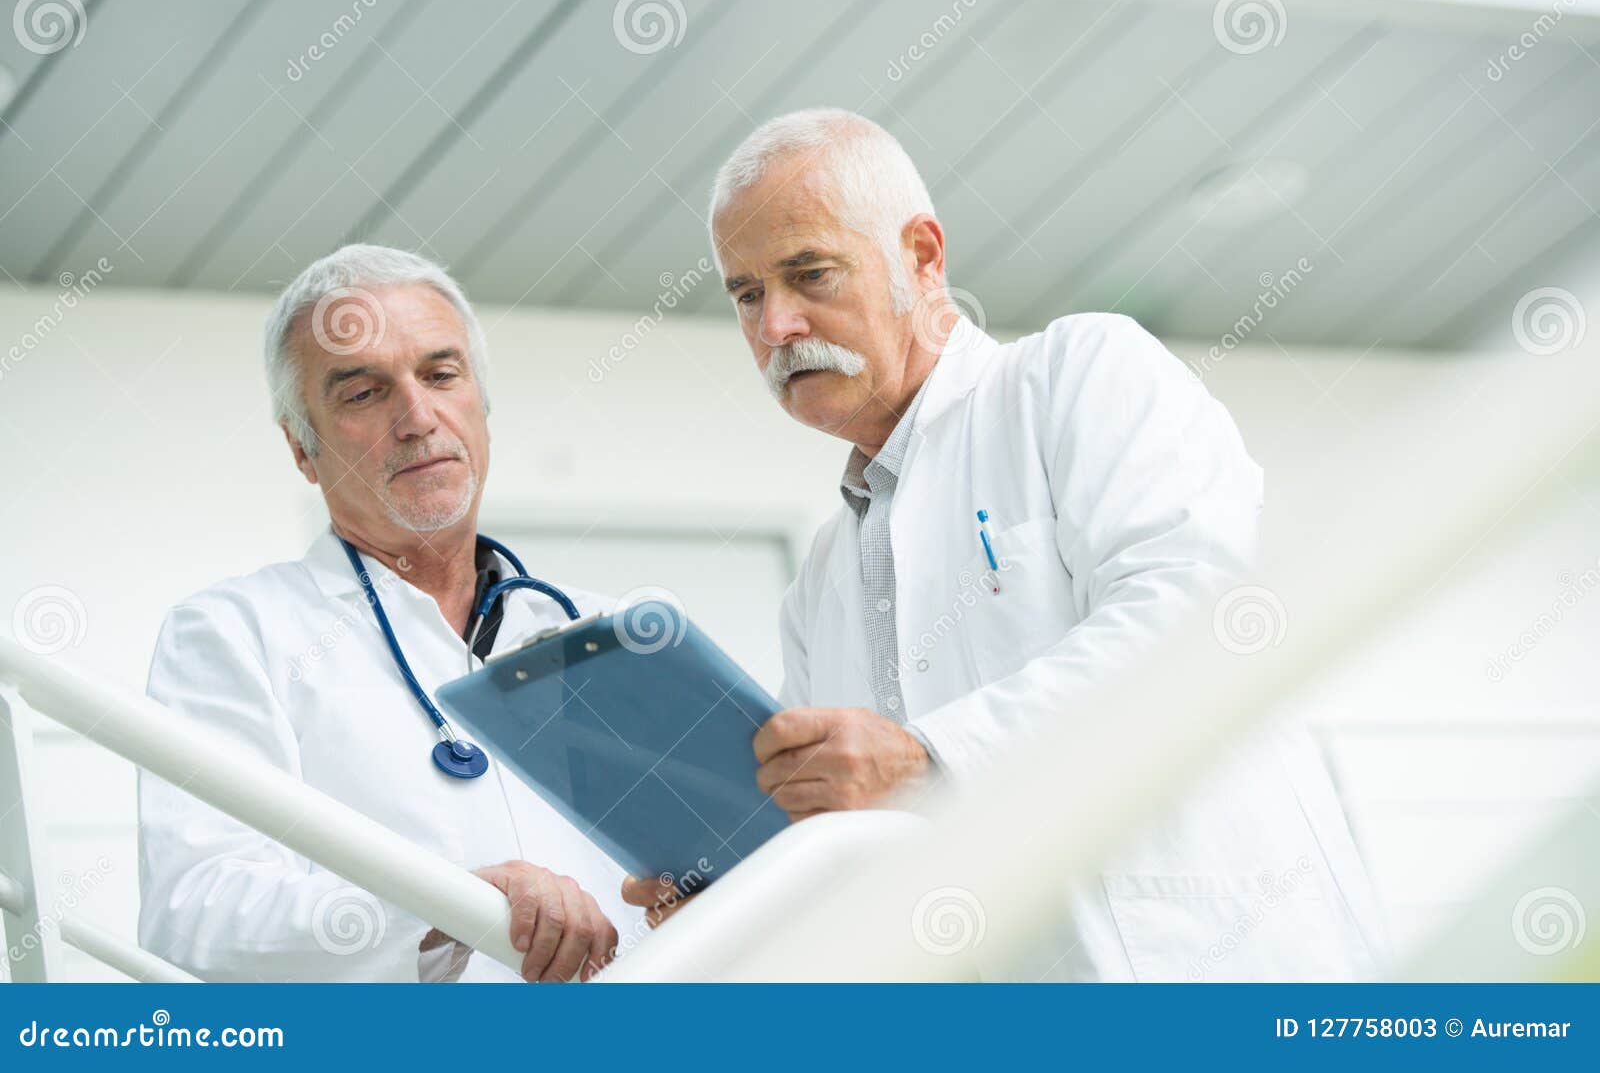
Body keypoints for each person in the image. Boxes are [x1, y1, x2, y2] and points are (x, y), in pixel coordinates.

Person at [704, 107, 1387, 980]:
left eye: (809, 273)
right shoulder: (821, 584)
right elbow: (847, 841)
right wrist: (730, 880)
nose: (776, 327)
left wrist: (927, 756)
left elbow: (1203, 627)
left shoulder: (1082, 375)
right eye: (747, 293)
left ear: (922, 254)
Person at [139, 245, 628, 982]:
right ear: (302, 447)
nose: (418, 416)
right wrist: (441, 906)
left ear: (482, 408)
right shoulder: (234, 634)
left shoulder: (609, 634)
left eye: (440, 374)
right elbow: (196, 911)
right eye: (363, 393)